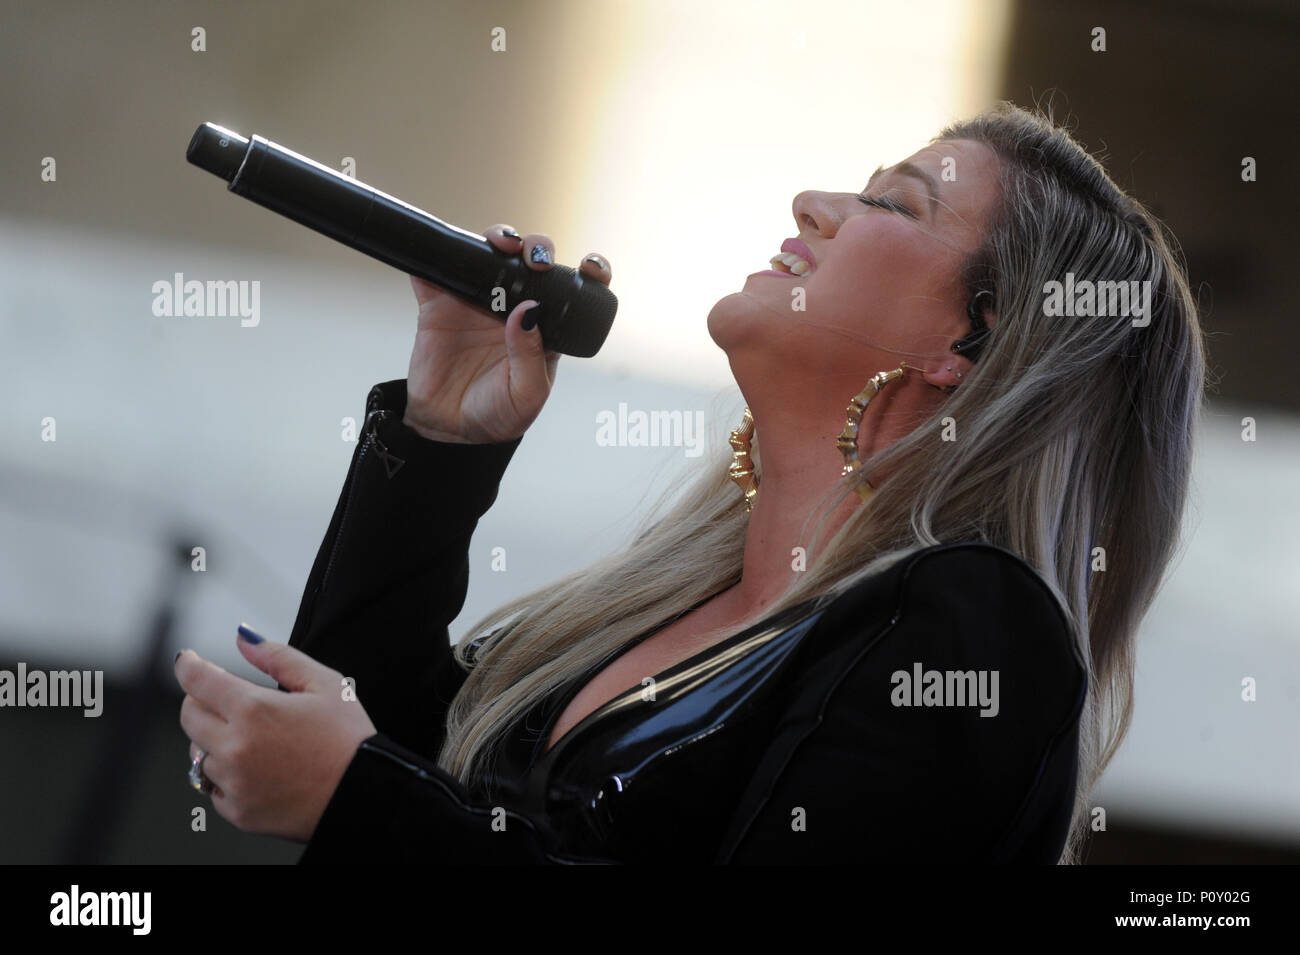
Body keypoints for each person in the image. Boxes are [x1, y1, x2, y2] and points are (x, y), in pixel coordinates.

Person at [173, 102, 1205, 864]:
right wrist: (443, 436)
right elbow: (378, 739)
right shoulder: (670, 609)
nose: (815, 202)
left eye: (893, 202)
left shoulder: (974, 628)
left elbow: (381, 806)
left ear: (969, 343)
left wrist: (364, 806)